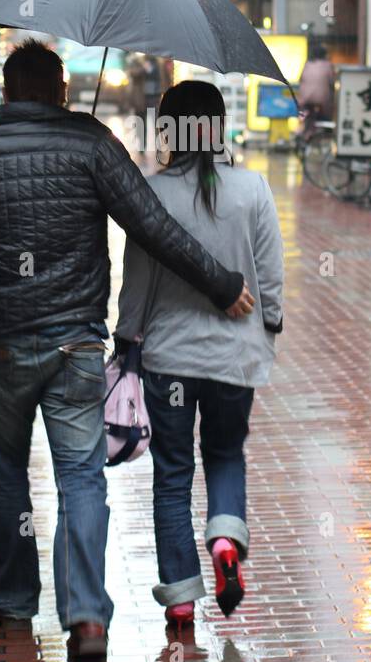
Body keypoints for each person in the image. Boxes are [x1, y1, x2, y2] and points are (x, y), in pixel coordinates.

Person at [0, 40, 255, 662]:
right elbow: (152, 227)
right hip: (75, 346)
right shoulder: (91, 144)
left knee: (5, 476)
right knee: (81, 479)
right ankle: (87, 618)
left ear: (6, 92)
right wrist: (223, 283)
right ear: (61, 91)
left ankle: (12, 600)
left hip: (2, 345)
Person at [115, 81, 284, 627]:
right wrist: (270, 325)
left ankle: (183, 599)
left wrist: (126, 340)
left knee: (172, 473)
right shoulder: (253, 189)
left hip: (170, 360)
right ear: (220, 128)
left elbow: (136, 283)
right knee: (226, 453)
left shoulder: (151, 194)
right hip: (235, 360)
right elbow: (270, 275)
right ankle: (225, 541)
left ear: (168, 131)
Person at [297, 44, 335, 140]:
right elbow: (332, 82)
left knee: (306, 116)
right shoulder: (328, 66)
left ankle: (305, 133)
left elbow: (300, 79)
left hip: (305, 100)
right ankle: (326, 135)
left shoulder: (307, 65)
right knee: (327, 116)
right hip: (322, 100)